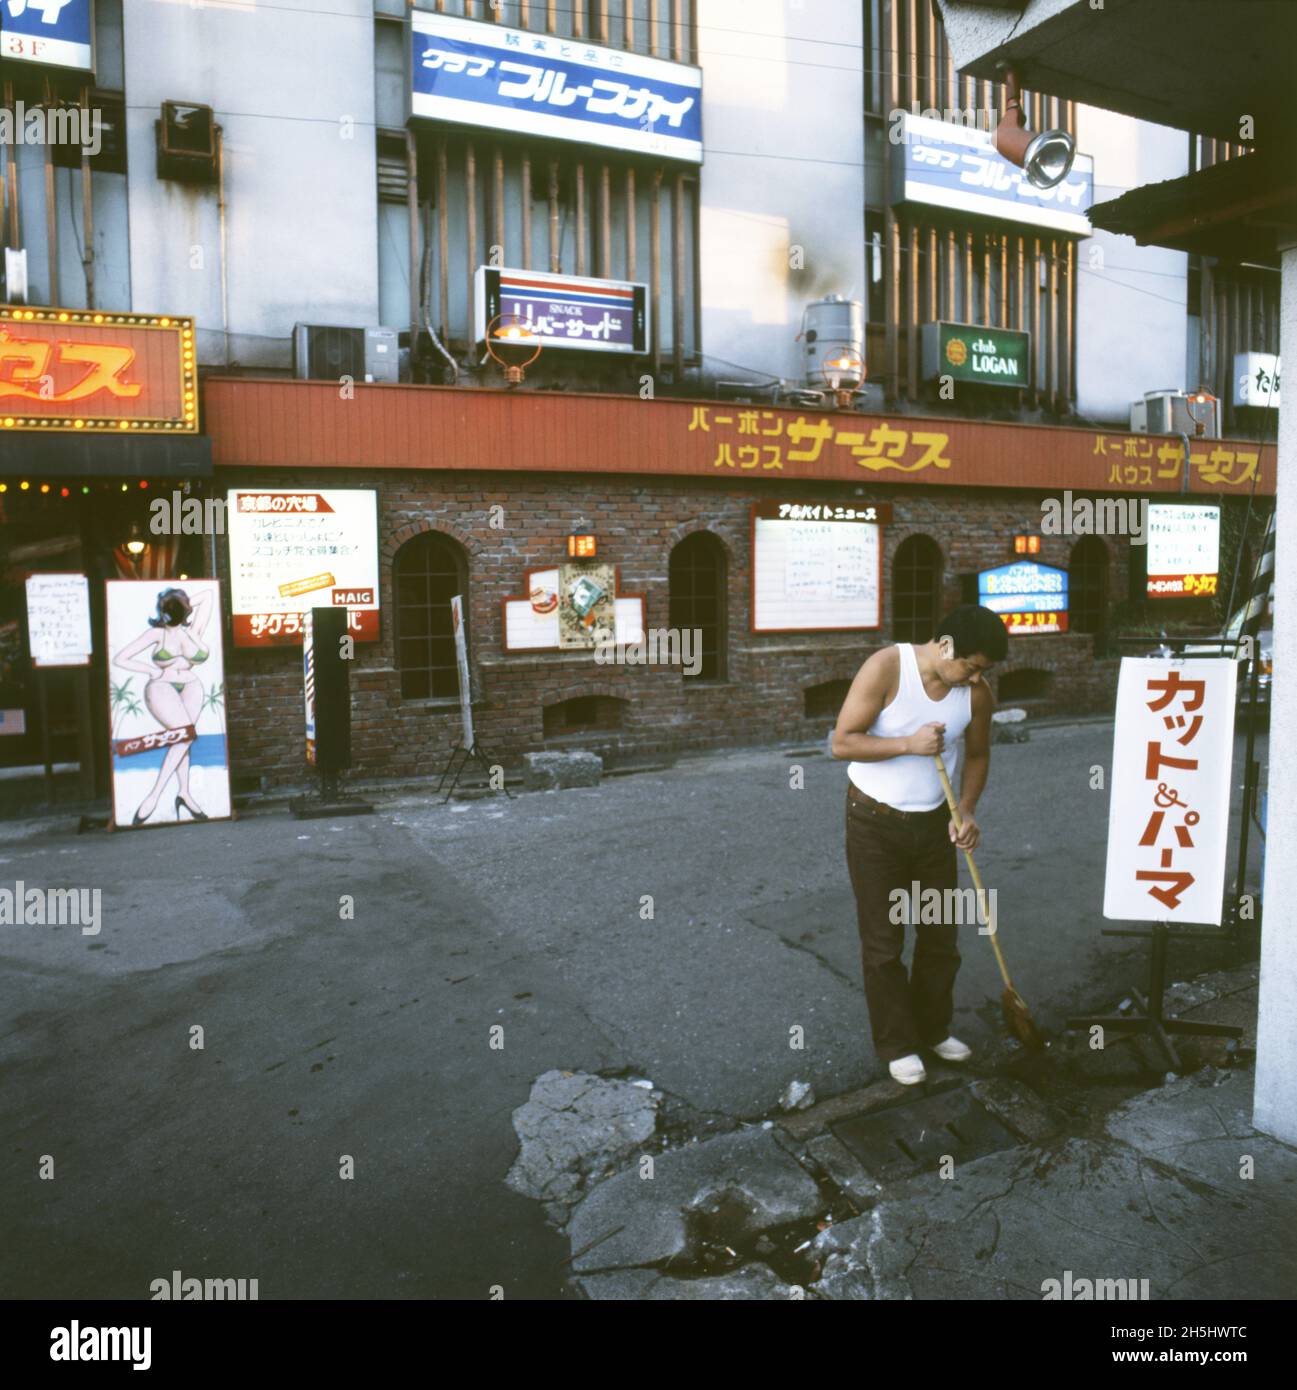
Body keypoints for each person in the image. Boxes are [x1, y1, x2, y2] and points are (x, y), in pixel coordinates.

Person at [831, 604, 1007, 1085]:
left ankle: (932, 1029)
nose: (973, 678)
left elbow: (977, 752)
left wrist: (967, 809)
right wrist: (908, 744)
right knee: (885, 942)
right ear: (946, 645)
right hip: (874, 822)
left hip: (934, 824)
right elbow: (843, 742)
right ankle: (897, 1043)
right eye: (970, 666)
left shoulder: (975, 693)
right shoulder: (888, 667)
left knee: (940, 936)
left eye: (982, 671)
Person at [112, 587, 213, 826]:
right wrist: (151, 670)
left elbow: (208, 594)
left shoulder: (193, 630)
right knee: (185, 735)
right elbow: (120, 658)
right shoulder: (156, 634)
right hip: (162, 686)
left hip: (191, 685)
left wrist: (181, 603)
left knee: (183, 739)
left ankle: (184, 793)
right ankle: (154, 797)